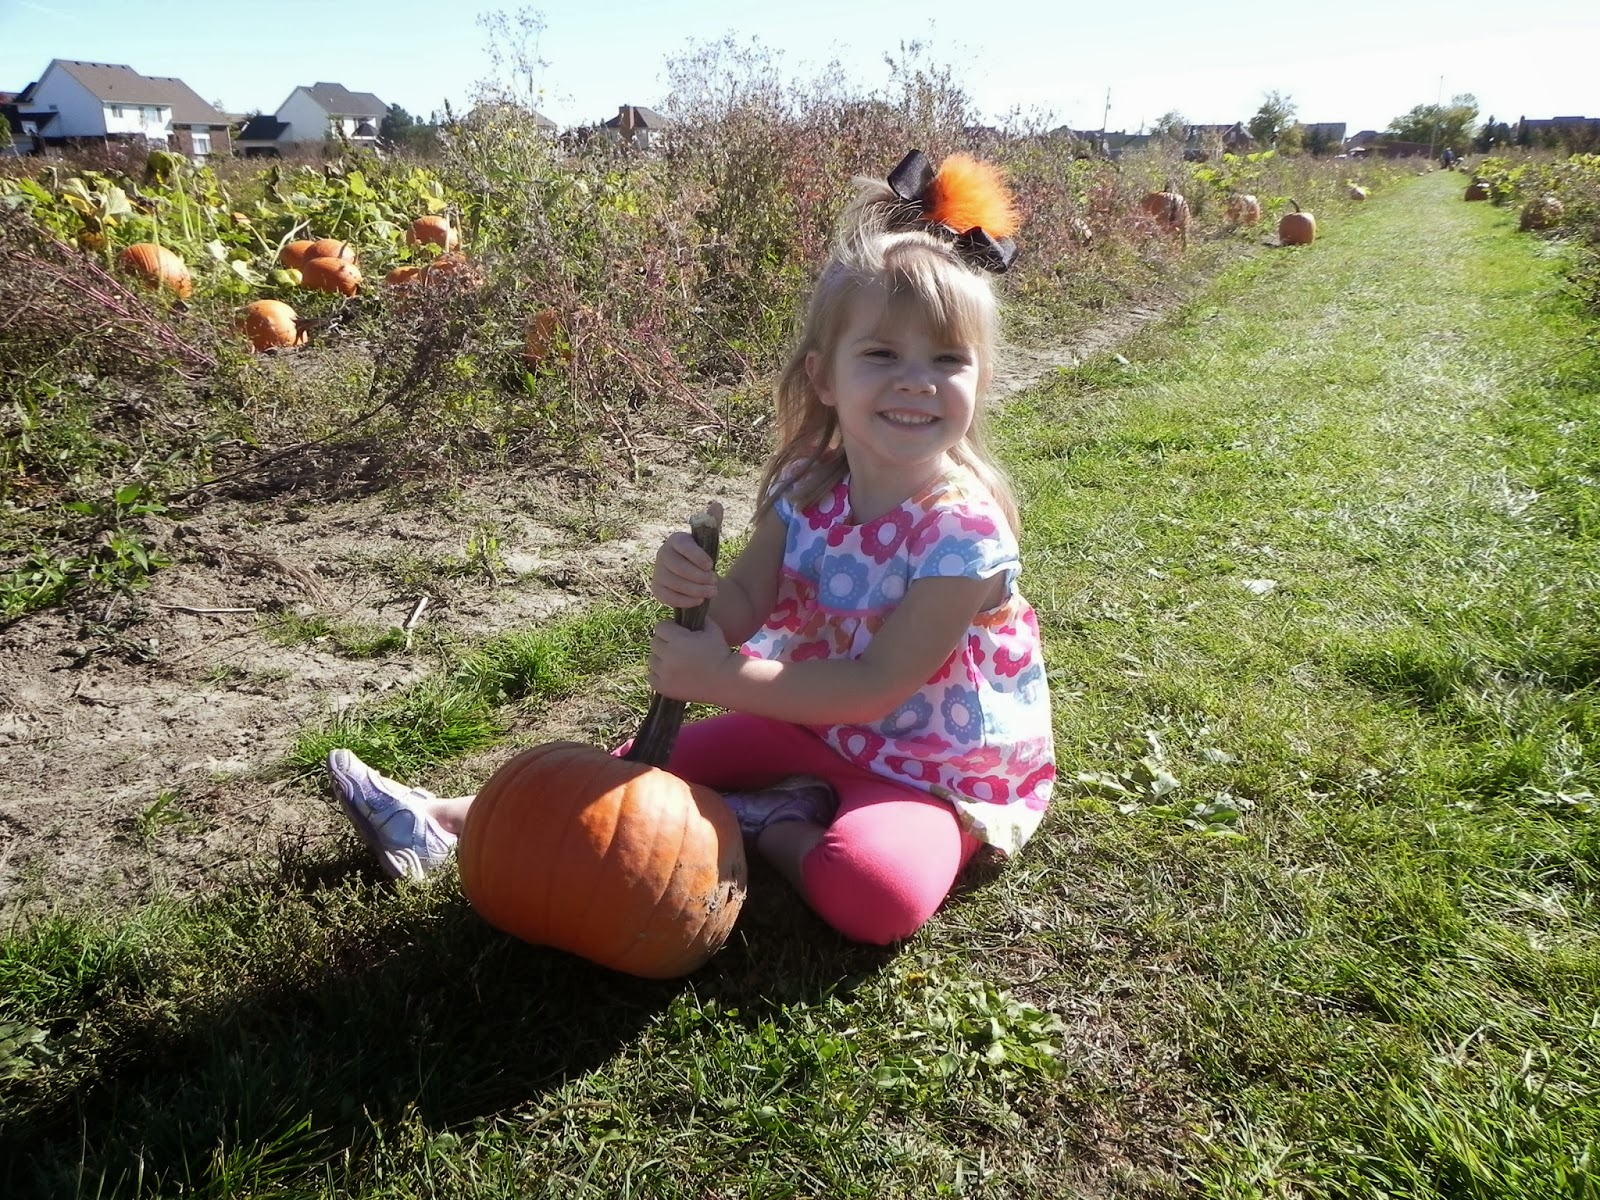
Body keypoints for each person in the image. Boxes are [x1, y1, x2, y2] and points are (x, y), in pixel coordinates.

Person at [327, 149, 1057, 946]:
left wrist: (721, 676)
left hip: (924, 768)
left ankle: (772, 821)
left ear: (979, 383)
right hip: (807, 729)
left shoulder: (963, 532)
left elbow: (876, 686)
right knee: (640, 767)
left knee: (875, 895)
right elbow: (746, 605)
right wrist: (696, 593)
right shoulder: (810, 486)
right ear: (823, 378)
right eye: (881, 355)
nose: (917, 381)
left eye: (946, 360)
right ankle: (441, 821)